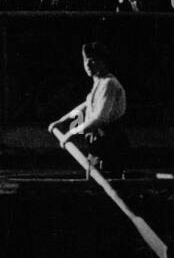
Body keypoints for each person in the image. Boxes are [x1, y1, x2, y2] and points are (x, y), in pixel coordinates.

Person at [50, 41, 129, 173]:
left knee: (107, 181)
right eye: (85, 61)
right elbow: (86, 105)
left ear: (103, 62)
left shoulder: (109, 84)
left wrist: (71, 133)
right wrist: (61, 121)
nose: (87, 64)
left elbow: (99, 118)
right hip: (97, 144)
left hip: (110, 143)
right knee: (92, 177)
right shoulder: (99, 82)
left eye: (92, 60)